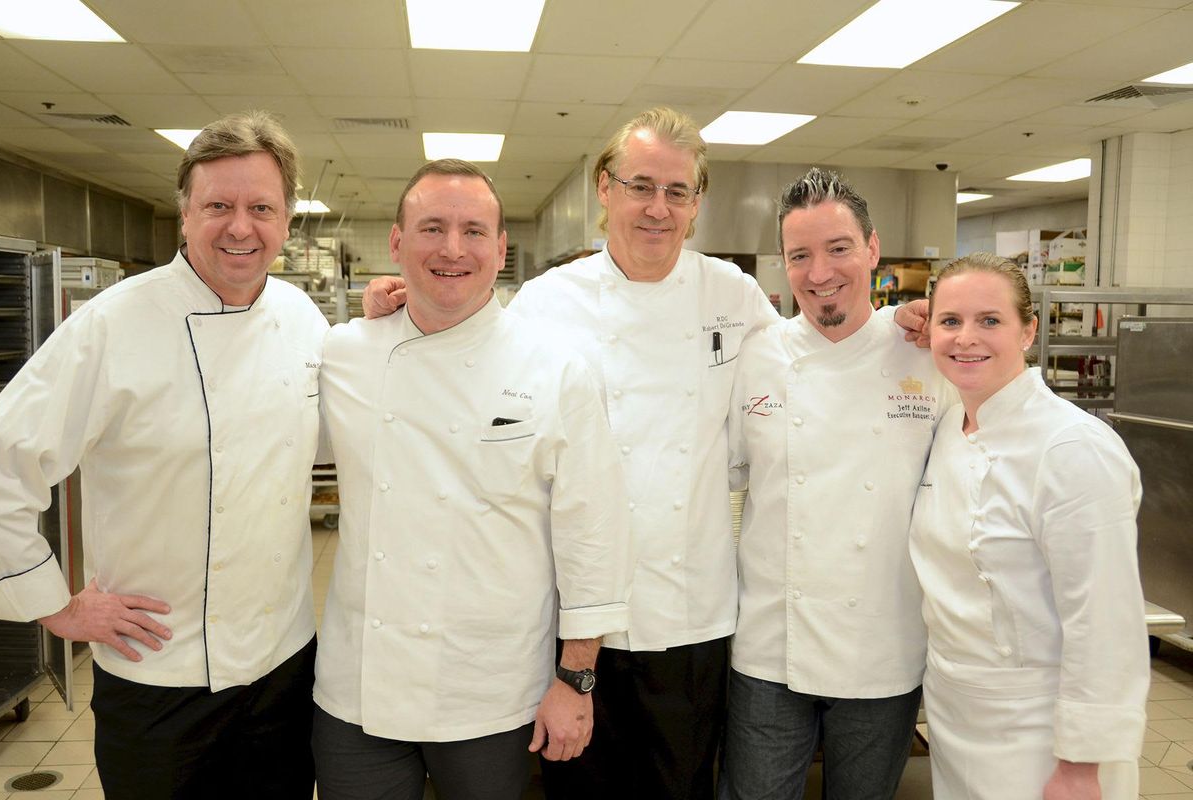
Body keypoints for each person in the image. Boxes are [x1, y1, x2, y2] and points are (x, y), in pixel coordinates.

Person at [363, 112, 928, 799]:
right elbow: (465, 358)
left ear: (696, 203)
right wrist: (401, 306)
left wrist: (900, 324)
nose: (658, 207)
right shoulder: (546, 302)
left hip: (691, 620)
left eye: (677, 191)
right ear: (606, 189)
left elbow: (814, 352)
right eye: (640, 186)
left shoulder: (732, 293)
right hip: (571, 619)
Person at [0, 111, 325, 798]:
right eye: (219, 207)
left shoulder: (301, 318)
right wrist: (52, 605)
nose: (240, 228)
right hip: (157, 678)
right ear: (185, 214)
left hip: (282, 671)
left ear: (287, 220)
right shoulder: (112, 324)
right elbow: (1, 463)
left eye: (261, 208)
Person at [311, 159, 631, 800]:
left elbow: (593, 536)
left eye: (474, 231)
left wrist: (577, 679)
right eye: (432, 228)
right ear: (397, 242)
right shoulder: (344, 354)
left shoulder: (555, 368)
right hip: (359, 687)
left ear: (501, 249)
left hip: (492, 689)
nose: (453, 249)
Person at [723, 167, 958, 800]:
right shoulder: (757, 355)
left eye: (838, 248)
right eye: (800, 254)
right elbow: (722, 477)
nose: (819, 272)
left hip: (883, 641)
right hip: (771, 643)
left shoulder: (928, 353)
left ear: (873, 249)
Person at [908, 252, 1149, 800]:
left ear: (1028, 331)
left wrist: (1080, 765)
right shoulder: (949, 427)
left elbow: (1105, 621)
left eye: (990, 320)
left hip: (1041, 730)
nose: (966, 338)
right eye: (950, 321)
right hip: (954, 711)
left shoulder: (1072, 447)